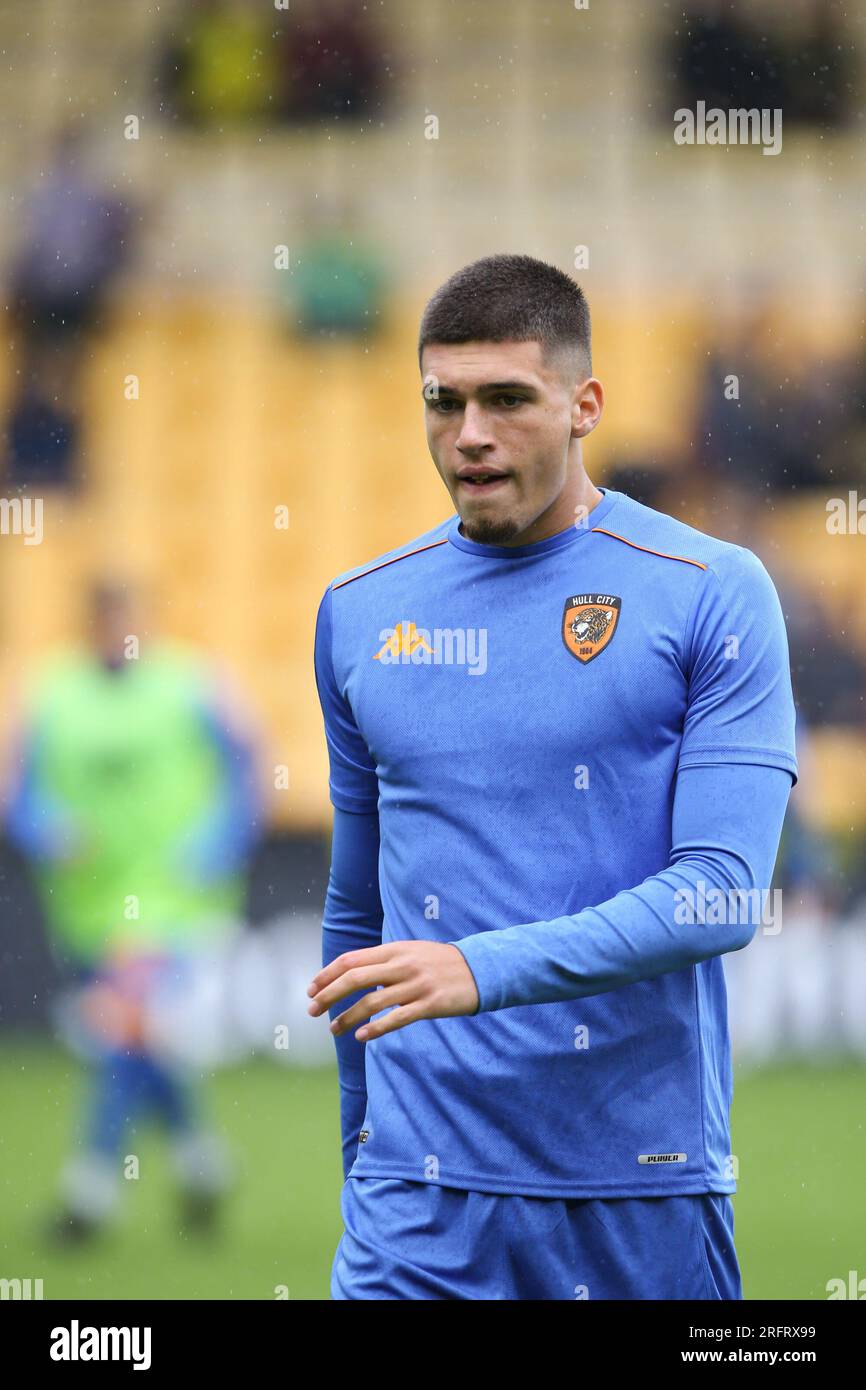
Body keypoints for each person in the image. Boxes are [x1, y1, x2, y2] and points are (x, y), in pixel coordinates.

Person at [309, 254, 798, 1300]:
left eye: (505, 400)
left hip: (636, 1196)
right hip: (415, 1207)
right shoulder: (357, 613)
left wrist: (480, 967)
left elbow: (718, 890)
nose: (467, 433)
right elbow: (356, 910)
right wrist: (361, 1131)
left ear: (584, 406)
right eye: (441, 402)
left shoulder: (709, 593)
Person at [5, 579, 261, 1243]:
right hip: (91, 903)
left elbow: (246, 767)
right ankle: (200, 1160)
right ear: (89, 624)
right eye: (106, 620)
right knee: (143, 1037)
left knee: (121, 1028)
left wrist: (215, 843)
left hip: (171, 896)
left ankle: (89, 1191)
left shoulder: (192, 682)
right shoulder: (52, 691)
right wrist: (47, 829)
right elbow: (21, 795)